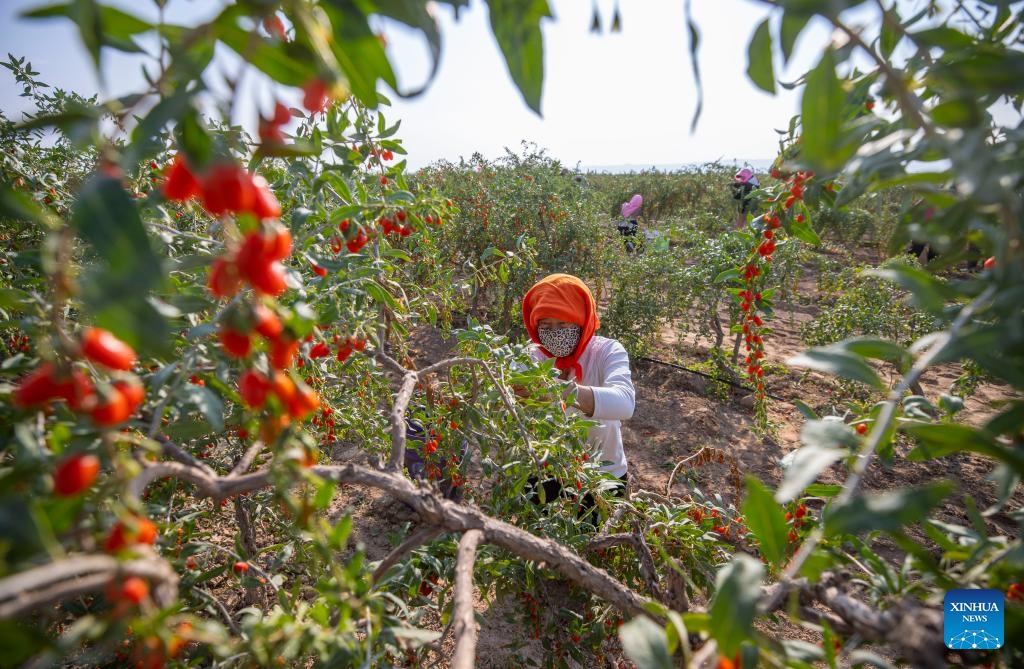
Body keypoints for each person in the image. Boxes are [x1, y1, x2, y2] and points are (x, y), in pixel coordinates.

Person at [520, 273, 635, 499]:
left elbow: (624, 403)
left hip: (602, 476)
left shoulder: (607, 351)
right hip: (545, 470)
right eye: (546, 325)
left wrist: (556, 390)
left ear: (581, 320)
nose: (555, 333)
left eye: (563, 323)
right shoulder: (530, 356)